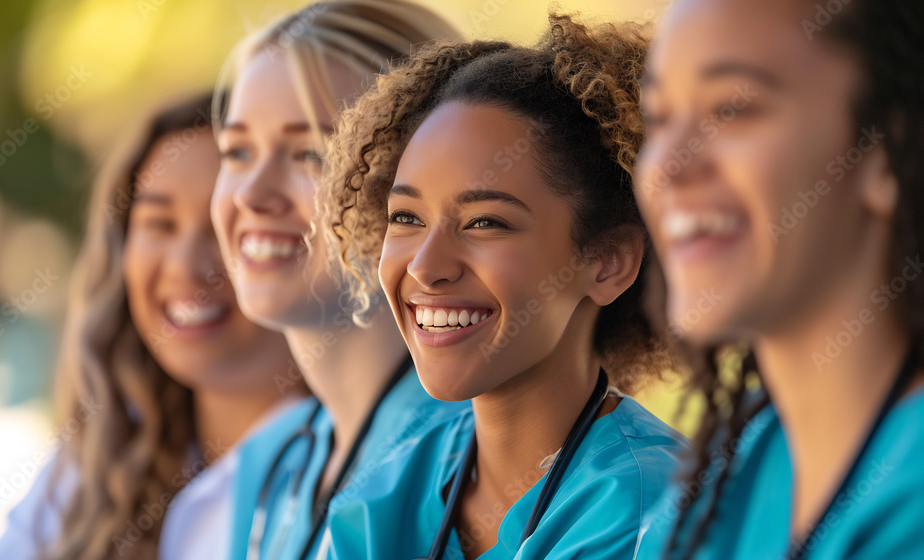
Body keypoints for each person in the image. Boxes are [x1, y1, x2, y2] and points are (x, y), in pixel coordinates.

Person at [317, 14, 688, 559]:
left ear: (608, 262)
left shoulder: (652, 514)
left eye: (486, 222)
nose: (424, 266)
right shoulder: (395, 484)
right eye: (406, 217)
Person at [632, 0, 924, 558]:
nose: (668, 165)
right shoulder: (720, 485)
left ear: (885, 151)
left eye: (733, 110)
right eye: (660, 118)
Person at [0, 95, 305, 560]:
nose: (186, 266)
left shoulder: (351, 467)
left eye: (224, 224)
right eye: (159, 223)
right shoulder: (102, 458)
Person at [208, 2, 467, 558]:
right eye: (237, 152)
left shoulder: (481, 458)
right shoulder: (270, 470)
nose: (251, 193)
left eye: (310, 153)